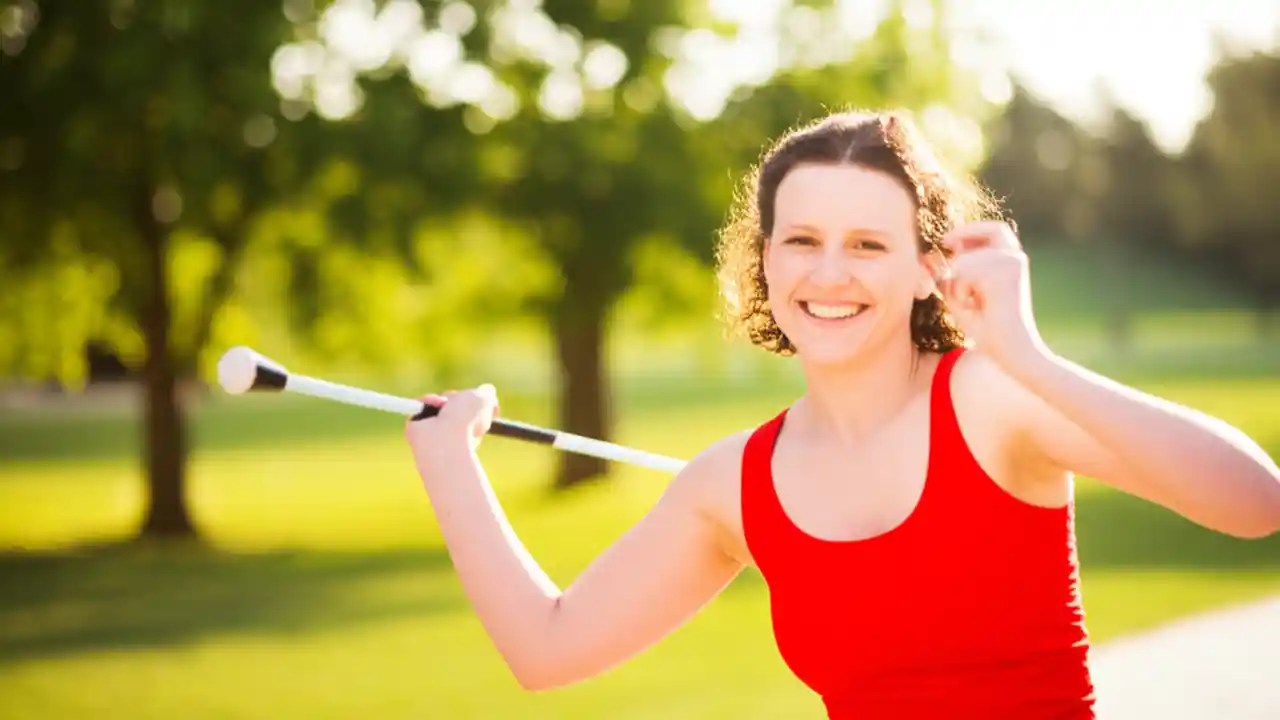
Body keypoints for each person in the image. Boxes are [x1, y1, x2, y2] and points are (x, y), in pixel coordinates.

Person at [404, 110, 1280, 719]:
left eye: (868, 244)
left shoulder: (991, 400)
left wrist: (1029, 357)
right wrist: (450, 461)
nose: (829, 275)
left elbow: (1253, 503)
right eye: (802, 241)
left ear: (924, 267)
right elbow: (547, 650)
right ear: (765, 260)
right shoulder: (731, 485)